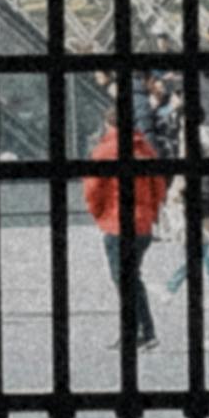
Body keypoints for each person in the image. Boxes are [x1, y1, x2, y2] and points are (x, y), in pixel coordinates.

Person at [82, 81, 168, 355]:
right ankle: (139, 331)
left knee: (125, 280)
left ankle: (141, 332)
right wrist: (152, 213)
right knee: (132, 277)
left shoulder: (105, 151)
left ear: (109, 125)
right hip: (142, 224)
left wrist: (99, 215)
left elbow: (93, 189)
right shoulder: (145, 149)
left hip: (117, 223)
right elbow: (159, 187)